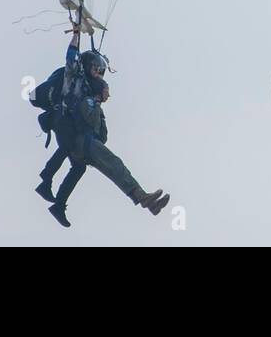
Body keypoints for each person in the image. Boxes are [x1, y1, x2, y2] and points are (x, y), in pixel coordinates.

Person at [35, 23, 170, 227]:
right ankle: (143, 198)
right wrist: (76, 34)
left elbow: (99, 129)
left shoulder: (91, 96)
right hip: (78, 141)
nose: (99, 75)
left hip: (81, 143)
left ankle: (59, 204)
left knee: (87, 169)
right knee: (114, 163)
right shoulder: (74, 83)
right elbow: (71, 58)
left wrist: (98, 101)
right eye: (97, 70)